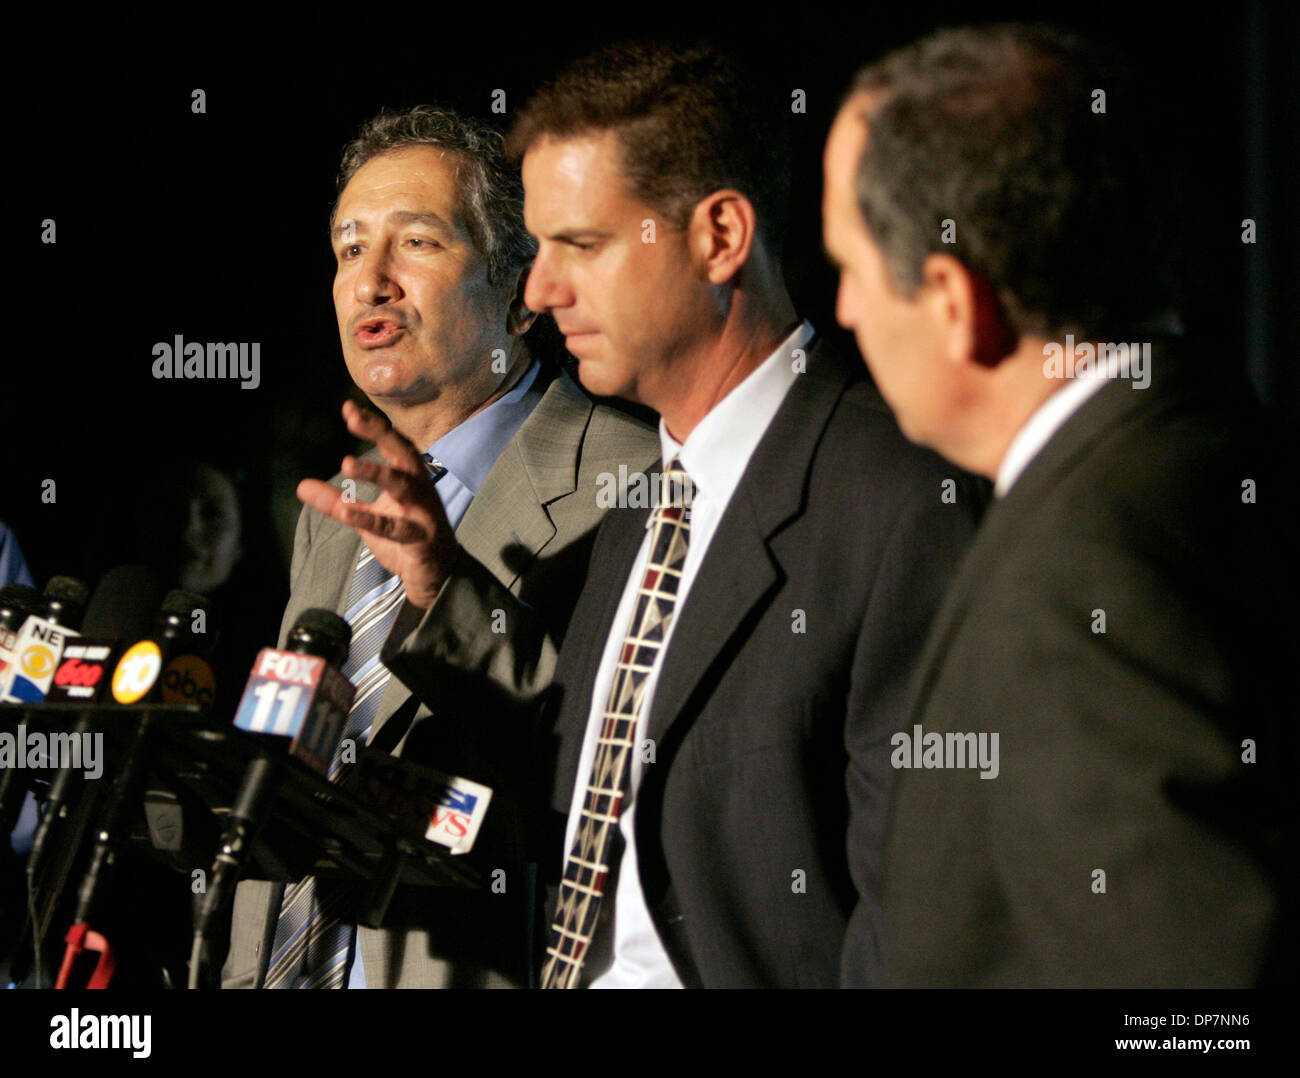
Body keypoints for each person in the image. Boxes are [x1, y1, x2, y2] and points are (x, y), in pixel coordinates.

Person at [822, 23, 1294, 986]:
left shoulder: (1088, 576)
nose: (845, 313)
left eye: (852, 271)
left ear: (954, 301)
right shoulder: (1203, 443)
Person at [506, 42, 982, 988]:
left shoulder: (901, 501)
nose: (538, 290)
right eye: (537, 249)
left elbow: (925, 924)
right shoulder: (641, 512)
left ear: (719, 236)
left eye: (583, 245)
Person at [222, 105, 657, 988]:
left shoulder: (638, 476)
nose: (369, 282)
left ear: (516, 289)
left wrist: (440, 587)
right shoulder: (337, 506)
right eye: (348, 250)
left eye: (416, 243)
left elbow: (605, 772)